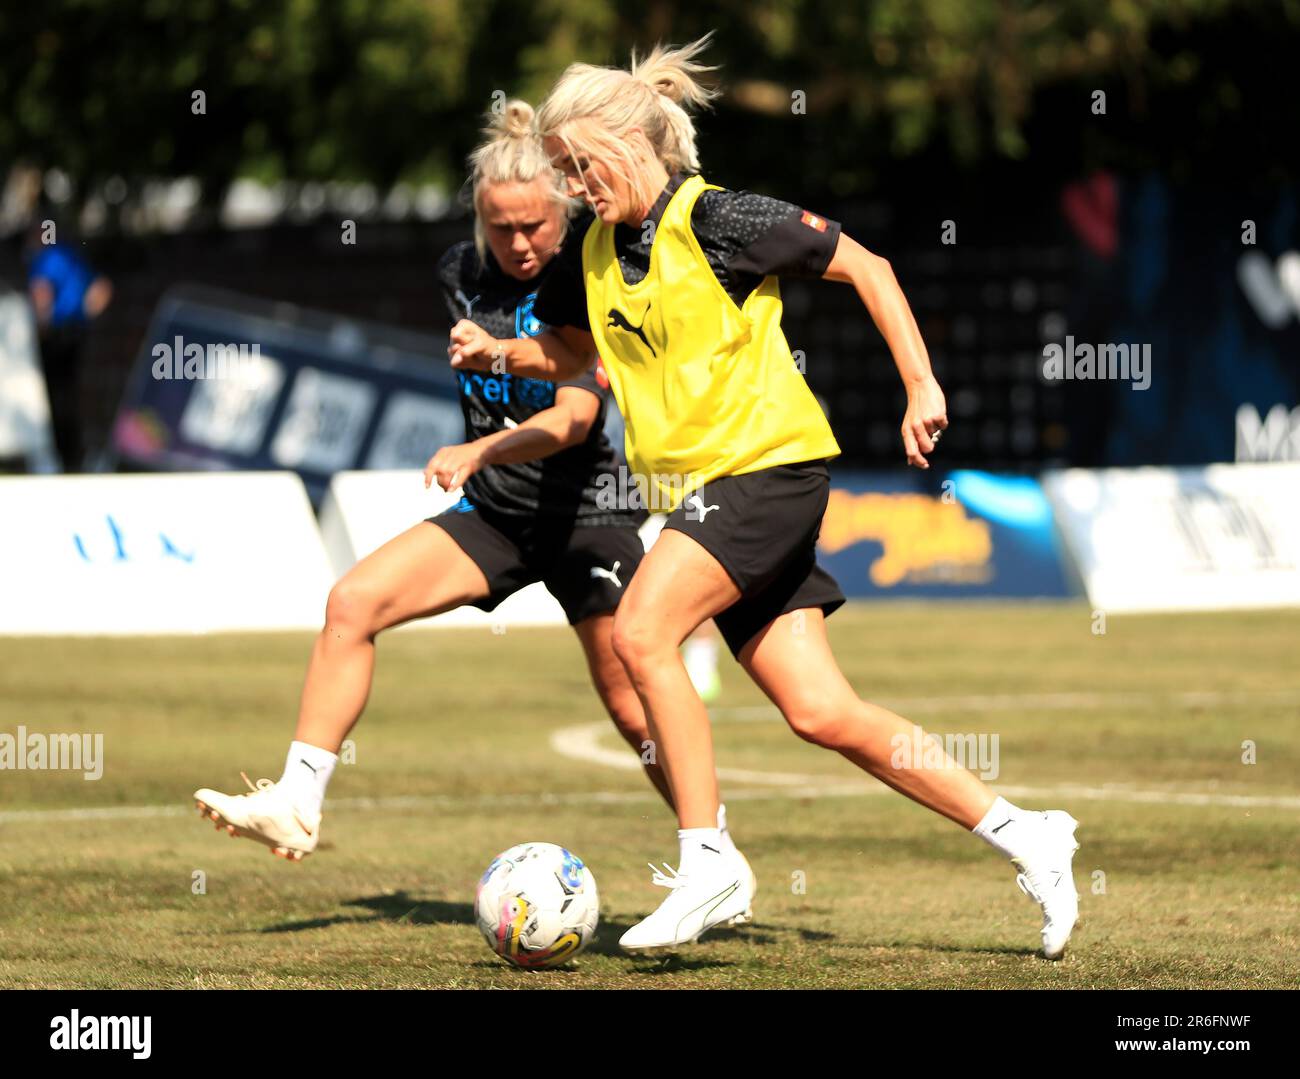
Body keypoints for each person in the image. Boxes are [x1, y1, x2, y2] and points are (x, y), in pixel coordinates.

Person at [447, 39, 1081, 958]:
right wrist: (502, 352)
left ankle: (709, 861)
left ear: (630, 145)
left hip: (769, 472)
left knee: (639, 632)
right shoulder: (588, 248)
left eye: (583, 165)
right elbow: (578, 359)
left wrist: (921, 384)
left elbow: (869, 266)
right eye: (566, 171)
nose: (576, 185)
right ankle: (1033, 836)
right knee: (824, 712)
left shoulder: (719, 220)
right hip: (708, 496)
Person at [192, 102, 753, 917]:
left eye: (533, 225)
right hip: (495, 516)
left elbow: (576, 417)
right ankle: (299, 798)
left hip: (589, 510)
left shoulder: (591, 274)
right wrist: (484, 463)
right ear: (479, 221)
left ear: (563, 209)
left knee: (631, 700)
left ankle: (715, 856)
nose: (520, 243)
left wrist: (478, 449)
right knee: (352, 602)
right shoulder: (460, 271)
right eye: (502, 227)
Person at [25, 223, 112, 471]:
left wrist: (42, 330)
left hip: (56, 334)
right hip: (76, 332)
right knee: (71, 395)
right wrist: (84, 314)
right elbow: (101, 288)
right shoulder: (69, 255)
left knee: (55, 397)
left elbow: (41, 295)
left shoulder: (46, 258)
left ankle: (62, 457)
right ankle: (75, 456)